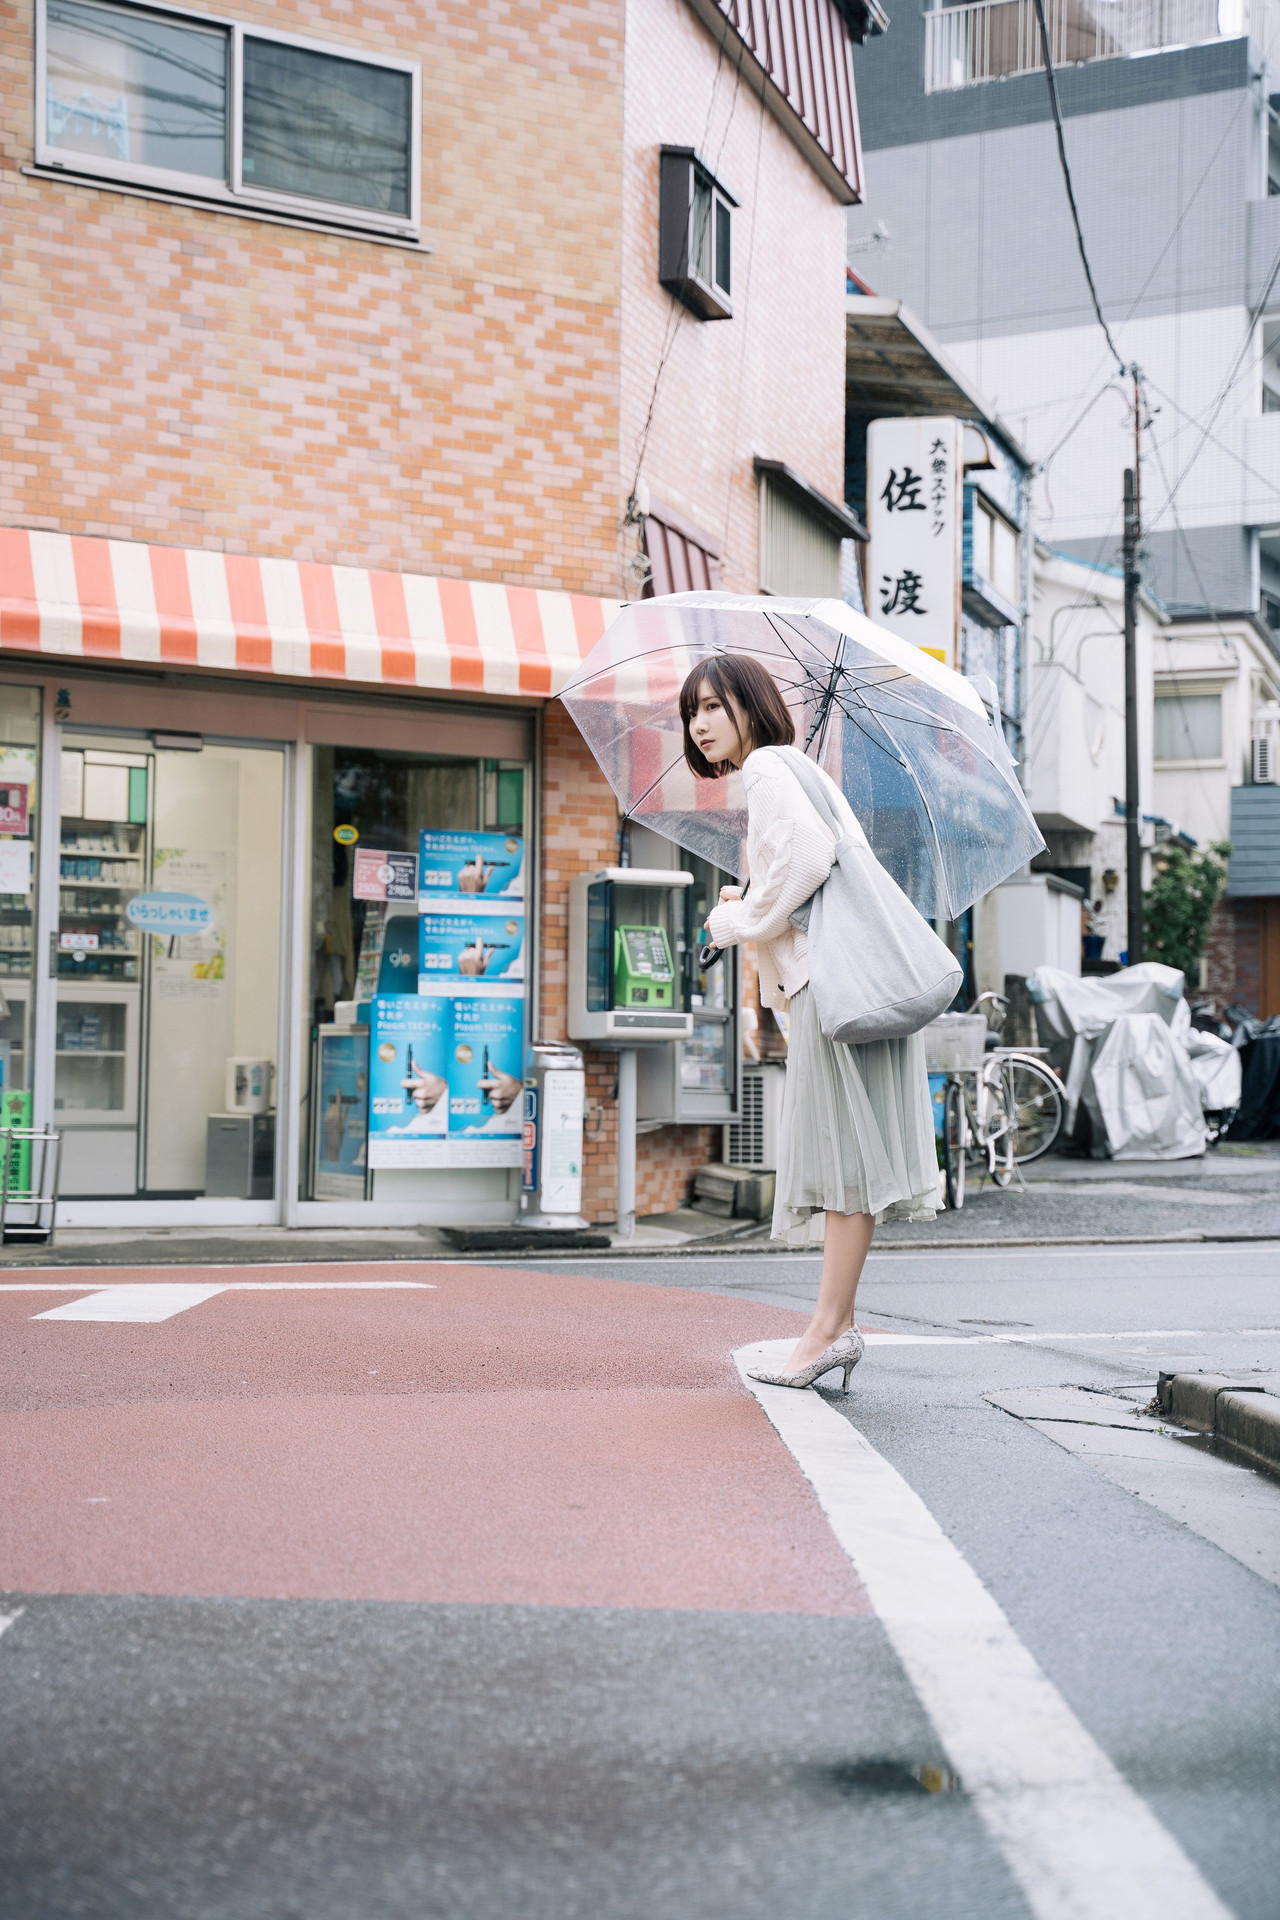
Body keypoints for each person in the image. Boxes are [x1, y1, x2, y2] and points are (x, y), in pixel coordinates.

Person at [684, 654, 939, 1392]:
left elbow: (810, 859)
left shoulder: (766, 770)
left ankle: (829, 1329)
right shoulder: (793, 768)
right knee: (848, 1170)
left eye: (713, 706)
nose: (700, 725)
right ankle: (835, 1327)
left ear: (750, 705)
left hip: (835, 991)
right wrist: (756, 898)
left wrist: (740, 919)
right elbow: (804, 869)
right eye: (691, 712)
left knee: (844, 1173)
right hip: (855, 987)